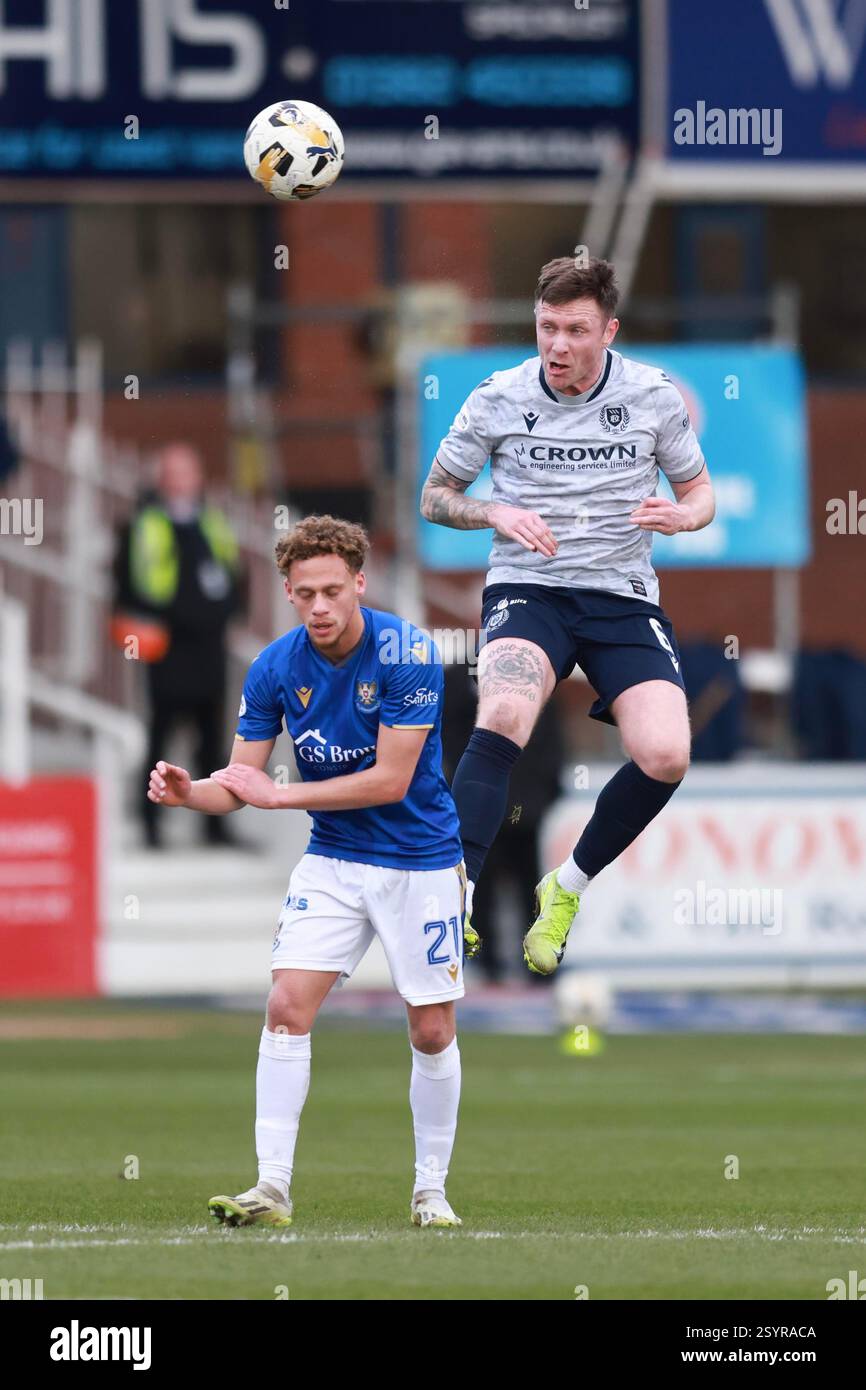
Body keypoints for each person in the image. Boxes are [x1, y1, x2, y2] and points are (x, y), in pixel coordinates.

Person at [147, 516, 466, 1230]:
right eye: (304, 594)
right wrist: (189, 791)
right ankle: (272, 1186)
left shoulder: (408, 652)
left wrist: (281, 796)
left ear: (360, 582)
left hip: (419, 859)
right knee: (286, 1007)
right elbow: (239, 782)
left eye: (332, 591)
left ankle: (430, 1191)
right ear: (287, 593)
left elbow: (389, 780)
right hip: (333, 859)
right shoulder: (273, 667)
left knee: (433, 1033)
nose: (319, 607)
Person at [420, 255, 715, 976]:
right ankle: (451, 894)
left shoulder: (651, 395)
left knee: (667, 754)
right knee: (504, 713)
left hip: (620, 597)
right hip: (531, 589)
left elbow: (700, 490)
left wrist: (683, 516)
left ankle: (568, 886)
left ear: (608, 331)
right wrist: (494, 509)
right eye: (547, 327)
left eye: (574, 330)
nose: (556, 345)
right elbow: (434, 496)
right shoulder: (498, 396)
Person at [113, 442, 243, 849]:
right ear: (161, 479)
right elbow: (130, 587)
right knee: (160, 734)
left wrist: (225, 615)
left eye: (188, 472)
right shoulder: (143, 524)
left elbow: (235, 575)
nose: (182, 481)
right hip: (167, 649)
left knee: (212, 735)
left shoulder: (212, 522)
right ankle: (151, 824)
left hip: (208, 647)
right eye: (174, 472)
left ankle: (215, 826)